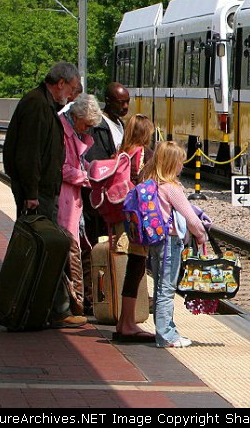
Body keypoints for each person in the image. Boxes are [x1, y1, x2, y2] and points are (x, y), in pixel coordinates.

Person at [2, 61, 85, 328]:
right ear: (60, 84)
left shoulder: (44, 104)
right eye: (71, 89)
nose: (71, 96)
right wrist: (32, 193)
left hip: (43, 190)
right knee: (47, 249)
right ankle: (54, 310)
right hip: (39, 193)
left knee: (45, 248)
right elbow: (29, 153)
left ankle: (41, 308)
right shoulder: (37, 105)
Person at [144, 141, 207, 348]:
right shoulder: (172, 188)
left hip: (155, 241)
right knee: (167, 289)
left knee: (160, 286)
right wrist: (201, 236)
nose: (182, 166)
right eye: (180, 161)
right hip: (170, 242)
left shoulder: (152, 183)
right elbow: (191, 219)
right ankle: (167, 336)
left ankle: (164, 331)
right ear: (172, 163)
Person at [107, 114, 156, 342]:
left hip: (122, 217)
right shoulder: (144, 154)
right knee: (136, 268)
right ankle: (127, 323)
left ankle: (124, 321)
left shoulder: (121, 153)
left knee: (132, 268)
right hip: (138, 219)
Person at [83, 83, 131, 312]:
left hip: (116, 199)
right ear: (109, 101)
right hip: (99, 200)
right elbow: (93, 163)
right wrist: (113, 160)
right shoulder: (98, 126)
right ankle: (92, 296)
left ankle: (114, 293)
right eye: (121, 102)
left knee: (116, 246)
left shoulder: (121, 124)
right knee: (95, 246)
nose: (125, 107)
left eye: (127, 102)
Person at [58, 94, 102, 317]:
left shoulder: (73, 131)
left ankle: (75, 303)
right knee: (70, 251)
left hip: (72, 200)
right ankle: (71, 305)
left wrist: (90, 168)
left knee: (75, 249)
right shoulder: (63, 132)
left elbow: (75, 162)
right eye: (86, 124)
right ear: (76, 117)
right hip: (65, 200)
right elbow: (63, 168)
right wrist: (86, 177)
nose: (87, 129)